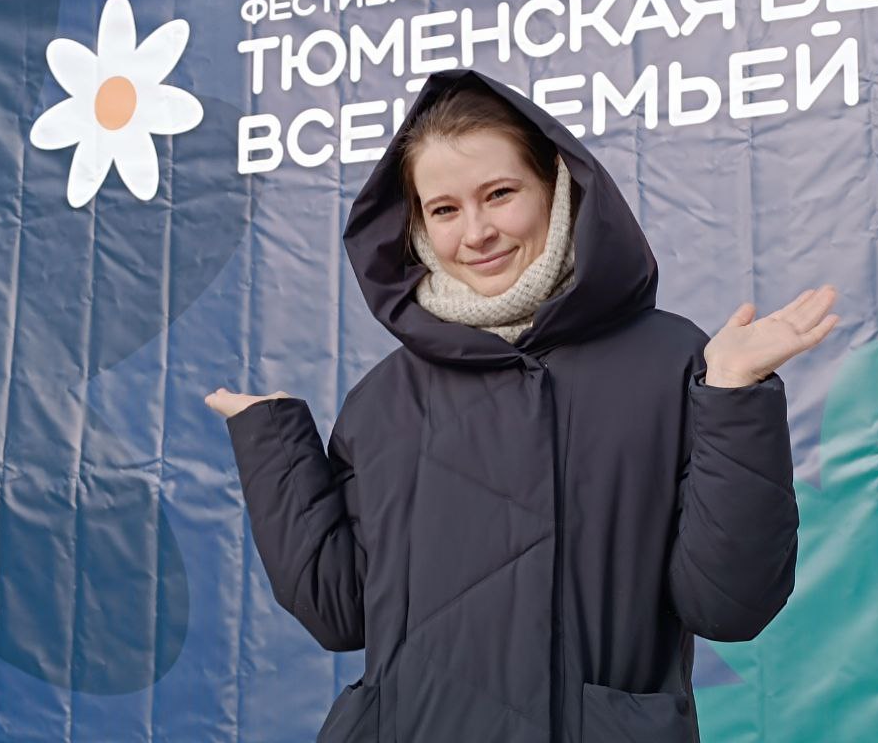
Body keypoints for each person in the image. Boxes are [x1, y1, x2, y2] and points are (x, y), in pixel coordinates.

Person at [206, 67, 838, 743]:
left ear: (556, 188)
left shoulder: (669, 360)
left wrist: (735, 395)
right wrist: (275, 448)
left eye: (500, 194)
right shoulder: (383, 399)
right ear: (417, 225)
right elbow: (339, 613)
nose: (476, 232)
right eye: (444, 210)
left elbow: (728, 604)